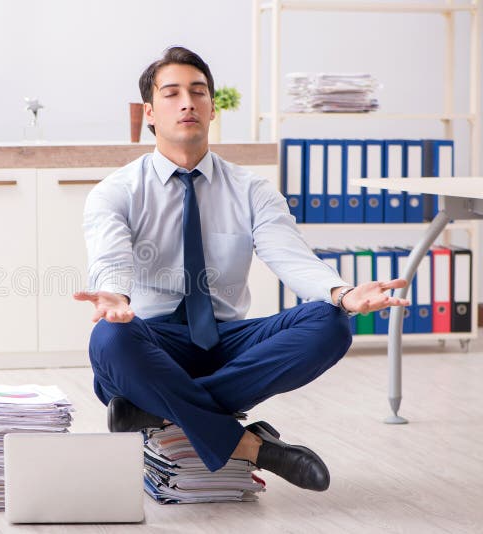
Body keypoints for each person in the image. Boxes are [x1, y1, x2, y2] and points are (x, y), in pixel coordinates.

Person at [73, 46, 409, 492]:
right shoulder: (116, 191)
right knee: (110, 337)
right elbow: (110, 256)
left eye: (198, 92)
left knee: (331, 324)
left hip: (227, 342)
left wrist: (343, 294)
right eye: (172, 94)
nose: (187, 103)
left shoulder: (252, 189)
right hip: (152, 340)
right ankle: (253, 447)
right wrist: (115, 295)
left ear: (212, 107)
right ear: (150, 112)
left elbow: (290, 256)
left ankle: (154, 408)